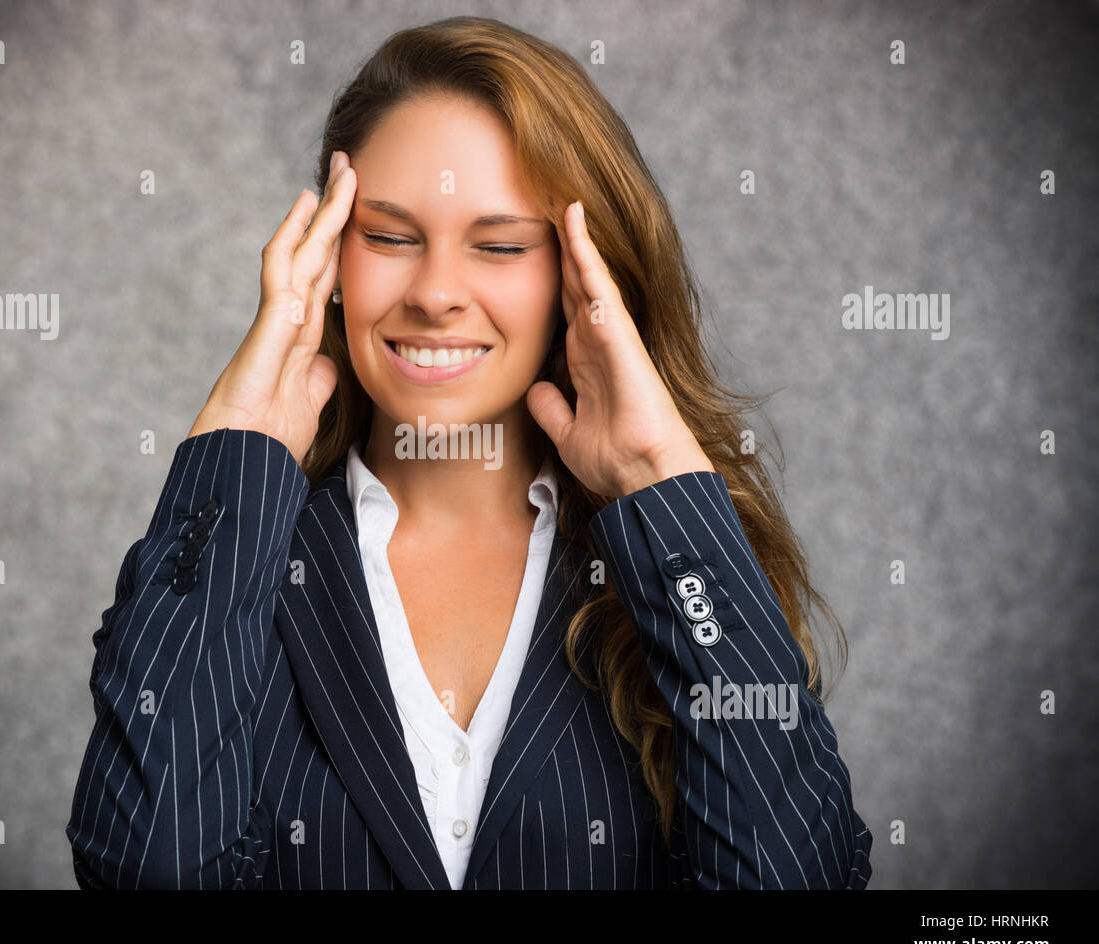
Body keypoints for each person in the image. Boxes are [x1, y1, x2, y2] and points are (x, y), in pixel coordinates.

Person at [65, 15, 872, 889]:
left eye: (498, 245)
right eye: (388, 236)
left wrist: (656, 482)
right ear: (329, 262)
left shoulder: (674, 570)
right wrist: (236, 447)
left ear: (582, 274)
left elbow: (801, 877)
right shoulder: (233, 561)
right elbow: (143, 871)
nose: (437, 293)